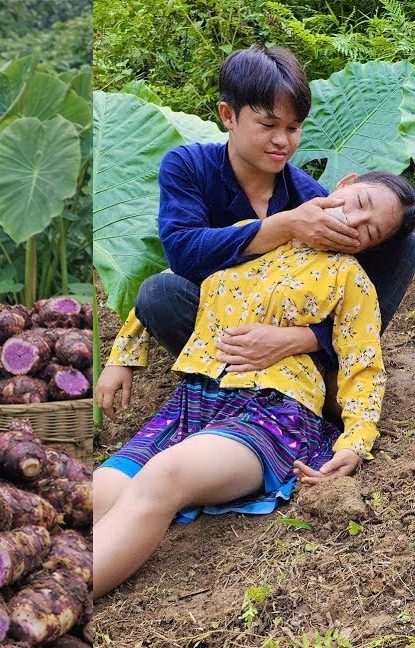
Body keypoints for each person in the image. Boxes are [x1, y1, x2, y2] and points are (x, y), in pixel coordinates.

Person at [93, 170, 415, 598]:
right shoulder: (250, 235)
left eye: (368, 231)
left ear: (371, 248)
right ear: (342, 184)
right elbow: (178, 275)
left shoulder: (349, 278)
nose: (352, 224)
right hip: (194, 401)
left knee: (162, 477)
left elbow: (362, 365)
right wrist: (122, 356)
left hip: (273, 410)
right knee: (99, 490)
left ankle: (55, 606)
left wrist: (356, 439)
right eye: (357, 204)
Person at [116, 46, 415, 387]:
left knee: (403, 242)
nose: (282, 141)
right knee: (160, 293)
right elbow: (183, 253)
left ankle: (308, 382)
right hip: (220, 322)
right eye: (268, 124)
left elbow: (342, 297)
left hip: (288, 334)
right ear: (228, 116)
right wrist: (285, 225)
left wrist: (296, 339)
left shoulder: (311, 198)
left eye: (293, 128)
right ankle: (249, 389)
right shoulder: (189, 166)